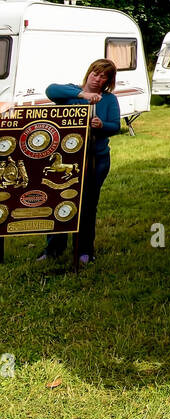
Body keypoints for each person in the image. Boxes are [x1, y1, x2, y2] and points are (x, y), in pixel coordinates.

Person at [39, 59, 121, 268]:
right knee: (60, 200)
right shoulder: (71, 93)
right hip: (67, 159)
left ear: (108, 81)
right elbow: (51, 90)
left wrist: (102, 125)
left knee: (87, 205)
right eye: (96, 73)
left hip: (96, 159)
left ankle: (85, 250)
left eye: (104, 77)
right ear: (89, 73)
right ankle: (54, 249)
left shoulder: (109, 100)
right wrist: (82, 95)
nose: (98, 78)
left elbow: (116, 126)